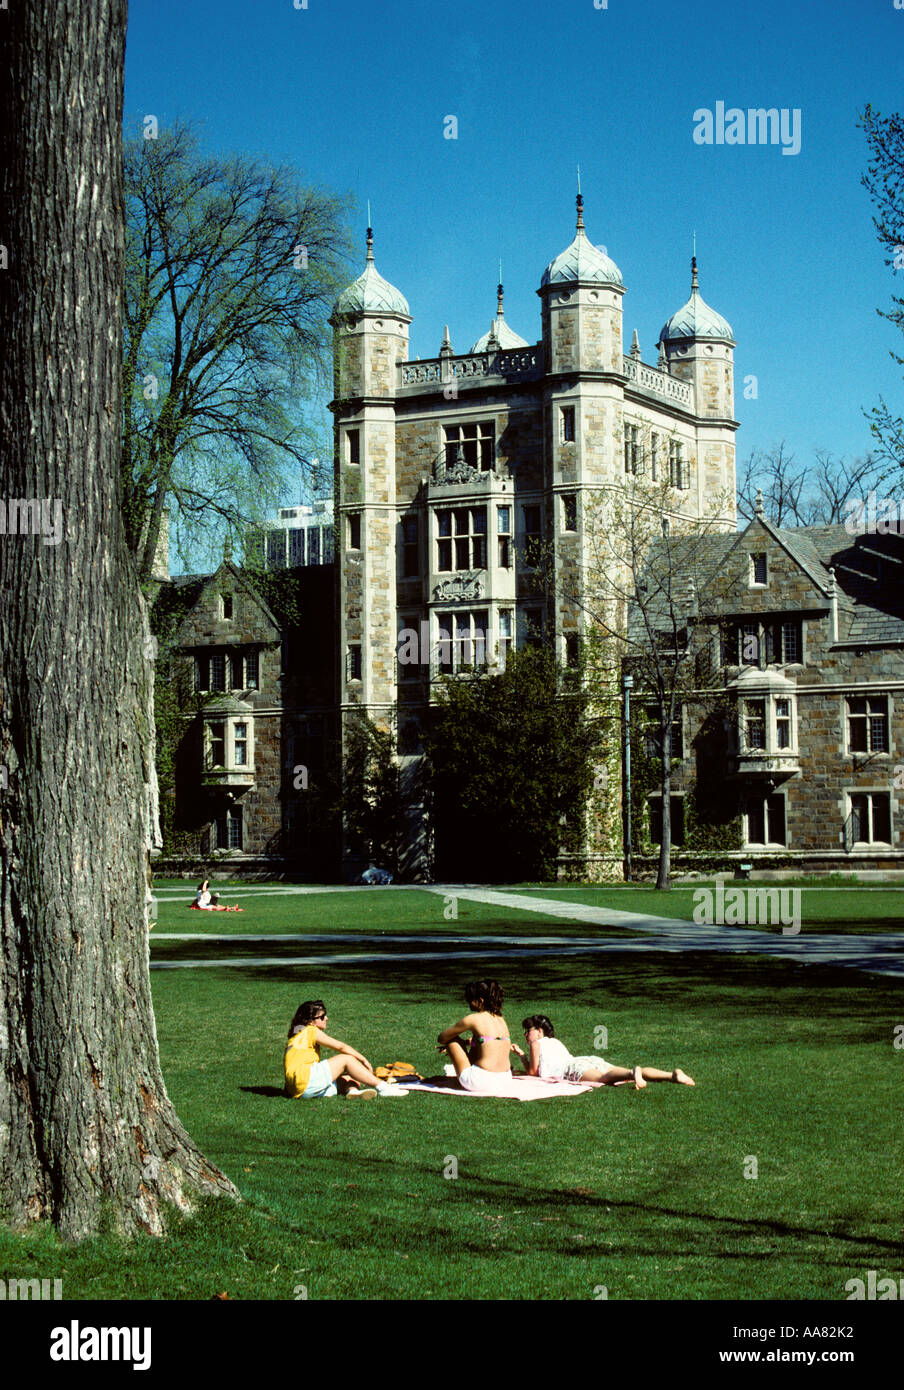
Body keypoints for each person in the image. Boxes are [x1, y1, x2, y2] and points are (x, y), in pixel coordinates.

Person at [517, 1015, 694, 1088]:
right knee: (611, 1071)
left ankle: (633, 1072)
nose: (526, 1034)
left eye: (528, 1030)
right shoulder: (555, 1042)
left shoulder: (536, 1043)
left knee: (604, 1078)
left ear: (539, 1031)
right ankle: (672, 1075)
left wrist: (522, 1056)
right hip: (585, 1060)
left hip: (572, 1068)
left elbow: (533, 1073)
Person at [284, 1000, 408, 1099]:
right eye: (322, 1017)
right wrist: (363, 1060)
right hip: (306, 1081)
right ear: (311, 1022)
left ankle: (353, 1092)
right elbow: (341, 1047)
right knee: (347, 1060)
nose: (326, 1018)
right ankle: (384, 1088)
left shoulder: (294, 1038)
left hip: (298, 1090)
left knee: (350, 1075)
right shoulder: (310, 1030)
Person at [436, 979, 516, 1096]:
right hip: (505, 1079)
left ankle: (465, 1075)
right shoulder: (501, 1019)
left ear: (480, 1001)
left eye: (470, 1000)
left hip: (481, 1081)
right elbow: (488, 1042)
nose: (469, 1004)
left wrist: (458, 1045)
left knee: (452, 1041)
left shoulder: (474, 1019)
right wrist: (467, 1043)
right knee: (476, 1040)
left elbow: (442, 1038)